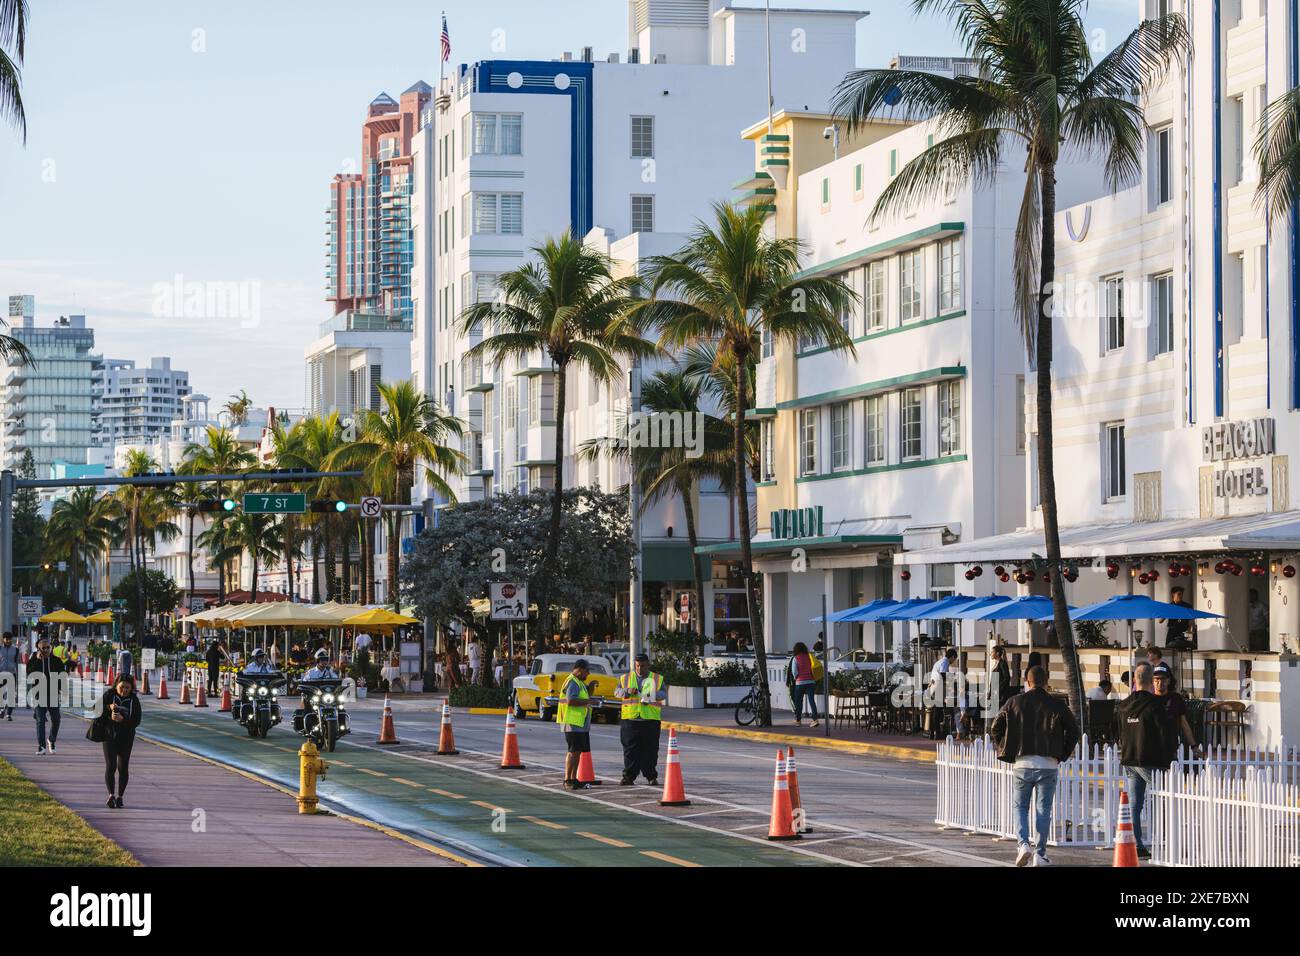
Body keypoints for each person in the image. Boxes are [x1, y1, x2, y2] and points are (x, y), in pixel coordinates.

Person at [989, 665, 1081, 867]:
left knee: (1020, 807)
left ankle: (1023, 844)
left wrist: (1005, 748)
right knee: (1043, 809)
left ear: (1027, 681)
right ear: (1046, 681)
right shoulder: (1057, 705)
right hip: (1048, 763)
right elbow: (1074, 731)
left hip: (1022, 762)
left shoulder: (1014, 702)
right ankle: (1040, 854)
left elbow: (995, 727)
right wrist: (1062, 754)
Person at [1113, 662, 1178, 860]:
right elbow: (1166, 734)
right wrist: (1169, 758)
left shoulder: (1123, 705)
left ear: (1134, 680)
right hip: (1151, 759)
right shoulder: (1157, 705)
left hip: (1129, 759)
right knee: (1162, 799)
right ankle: (1164, 839)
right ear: (1151, 681)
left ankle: (1137, 843)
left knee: (1135, 803)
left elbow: (1116, 732)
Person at [615, 652, 667, 786]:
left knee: (650, 750)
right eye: (637, 666)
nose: (640, 669)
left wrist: (651, 695)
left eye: (643, 666)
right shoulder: (625, 678)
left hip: (650, 720)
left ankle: (651, 776)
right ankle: (629, 777)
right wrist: (626, 691)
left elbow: (663, 694)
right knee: (630, 750)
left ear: (648, 665)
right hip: (630, 720)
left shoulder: (657, 678)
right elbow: (616, 692)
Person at [93, 674, 142, 808]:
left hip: (126, 737)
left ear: (131, 688)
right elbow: (94, 709)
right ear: (116, 685)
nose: (124, 690)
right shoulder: (109, 695)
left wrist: (124, 720)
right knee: (111, 766)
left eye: (127, 687)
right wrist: (109, 708)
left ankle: (120, 796)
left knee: (123, 767)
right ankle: (111, 795)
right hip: (109, 736)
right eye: (122, 687)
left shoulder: (134, 700)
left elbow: (137, 720)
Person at [26, 638, 68, 755]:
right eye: (43, 648)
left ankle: (51, 739)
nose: (46, 650)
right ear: (38, 648)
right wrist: (37, 660)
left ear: (51, 647)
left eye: (48, 647)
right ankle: (41, 746)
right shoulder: (34, 660)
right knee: (40, 721)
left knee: (56, 720)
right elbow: (29, 674)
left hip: (54, 694)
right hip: (39, 694)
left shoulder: (57, 661)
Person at [558, 659, 594, 789]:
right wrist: (588, 701)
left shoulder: (579, 682)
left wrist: (590, 689)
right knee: (573, 751)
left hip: (579, 724)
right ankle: (568, 779)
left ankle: (573, 778)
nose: (588, 674)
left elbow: (584, 697)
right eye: (587, 671)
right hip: (572, 723)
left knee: (577, 751)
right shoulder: (573, 682)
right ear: (580, 669)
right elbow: (571, 701)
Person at [1152, 665, 1201, 757]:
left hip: (1171, 745)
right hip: (1153, 746)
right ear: (1152, 682)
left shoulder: (1176, 698)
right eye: (1156, 679)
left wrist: (1193, 746)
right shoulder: (1149, 699)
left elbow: (1184, 723)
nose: (1160, 682)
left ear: (1168, 681)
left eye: (1163, 679)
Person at [786, 642, 822, 728]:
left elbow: (794, 671)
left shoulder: (795, 658)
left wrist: (796, 678)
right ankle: (815, 720)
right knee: (811, 700)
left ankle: (798, 720)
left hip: (800, 682)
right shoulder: (809, 657)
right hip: (811, 682)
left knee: (799, 701)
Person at [0, 632, 18, 720]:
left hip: (12, 674)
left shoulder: (15, 650)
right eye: (6, 639)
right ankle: (2, 710)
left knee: (11, 695)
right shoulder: (0, 648)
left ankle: (8, 714)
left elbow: (17, 663)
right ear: (3, 639)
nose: (8, 641)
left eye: (10, 639)